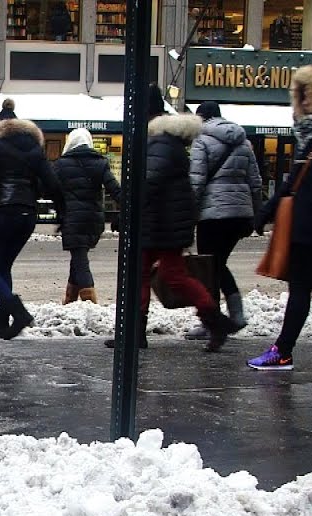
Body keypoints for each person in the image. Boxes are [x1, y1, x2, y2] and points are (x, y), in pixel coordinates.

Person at [105, 85, 235, 351]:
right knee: (152, 274)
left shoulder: (160, 141)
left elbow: (149, 181)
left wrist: (128, 212)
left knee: (159, 275)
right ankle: (210, 321)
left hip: (162, 223)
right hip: (164, 221)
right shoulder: (163, 139)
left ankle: (213, 321)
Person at [248, 66, 312, 370]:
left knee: (301, 288)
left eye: (309, 94)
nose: (304, 101)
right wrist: (266, 212)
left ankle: (282, 351)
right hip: (305, 225)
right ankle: (282, 351)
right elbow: (292, 182)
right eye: (300, 95)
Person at [0, 115, 64, 339]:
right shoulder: (34, 146)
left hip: (0, 212)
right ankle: (1, 323)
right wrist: (63, 213)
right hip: (27, 215)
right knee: (3, 267)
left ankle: (19, 312)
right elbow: (51, 181)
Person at [188, 100, 261, 337]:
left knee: (211, 268)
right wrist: (256, 214)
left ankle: (213, 322)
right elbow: (256, 181)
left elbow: (196, 181)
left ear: (201, 118)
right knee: (218, 265)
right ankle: (232, 315)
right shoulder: (244, 143)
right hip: (240, 214)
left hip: (212, 215)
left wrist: (190, 213)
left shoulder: (201, 140)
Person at [53, 127, 121, 303]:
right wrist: (129, 208)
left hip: (72, 219)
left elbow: (49, 189)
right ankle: (70, 300)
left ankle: (90, 304)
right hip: (93, 219)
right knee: (78, 256)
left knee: (80, 260)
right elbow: (115, 190)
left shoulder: (60, 165)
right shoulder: (100, 163)